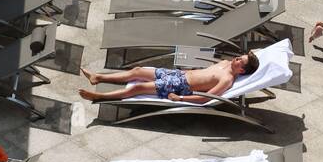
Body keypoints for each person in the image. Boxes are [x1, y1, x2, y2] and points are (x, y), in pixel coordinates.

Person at [77, 52, 260, 105]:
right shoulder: (226, 62)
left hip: (180, 85)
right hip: (179, 74)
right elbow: (202, 72)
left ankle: (99, 97)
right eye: (239, 57)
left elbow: (206, 98)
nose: (236, 59)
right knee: (137, 71)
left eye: (240, 61)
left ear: (242, 71)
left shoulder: (227, 79)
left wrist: (180, 98)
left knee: (136, 89)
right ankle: (97, 77)